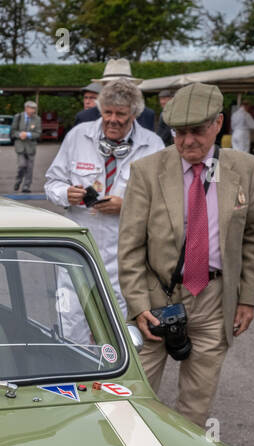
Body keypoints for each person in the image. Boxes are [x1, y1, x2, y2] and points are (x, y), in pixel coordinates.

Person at [119, 83, 254, 427]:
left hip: (215, 299)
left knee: (196, 408)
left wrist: (248, 298)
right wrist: (139, 305)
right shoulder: (147, 171)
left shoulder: (244, 168)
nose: (187, 141)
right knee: (134, 400)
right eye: (179, 133)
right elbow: (129, 247)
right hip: (157, 300)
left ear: (218, 123)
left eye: (197, 131)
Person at [45, 76, 164, 337]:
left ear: (134, 114)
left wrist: (128, 205)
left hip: (125, 257)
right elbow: (51, 182)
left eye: (120, 114)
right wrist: (67, 193)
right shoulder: (78, 136)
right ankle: (76, 374)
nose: (112, 119)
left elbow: (166, 203)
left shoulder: (153, 145)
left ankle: (111, 377)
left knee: (116, 330)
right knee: (71, 324)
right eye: (107, 112)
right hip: (77, 249)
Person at [11, 100, 41, 191]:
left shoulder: (37, 119)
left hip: (31, 147)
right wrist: (20, 134)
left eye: (34, 109)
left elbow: (38, 133)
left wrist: (28, 134)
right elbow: (13, 132)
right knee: (22, 165)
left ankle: (26, 186)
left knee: (30, 168)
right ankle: (18, 181)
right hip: (20, 146)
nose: (33, 111)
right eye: (31, 108)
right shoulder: (18, 117)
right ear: (26, 108)